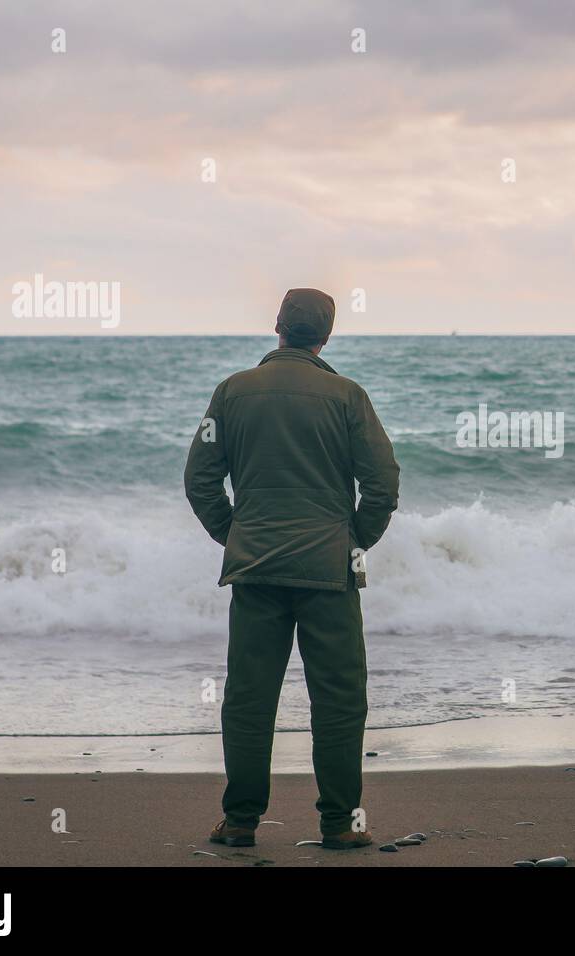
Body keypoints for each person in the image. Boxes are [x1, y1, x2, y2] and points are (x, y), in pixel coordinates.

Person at [184, 288, 400, 850]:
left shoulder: (231, 392)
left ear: (277, 325)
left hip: (255, 569)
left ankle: (239, 822)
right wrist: (355, 540)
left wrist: (232, 534)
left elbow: (199, 478)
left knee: (250, 699)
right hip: (329, 572)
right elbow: (383, 482)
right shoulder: (348, 397)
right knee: (340, 699)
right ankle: (338, 824)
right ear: (326, 335)